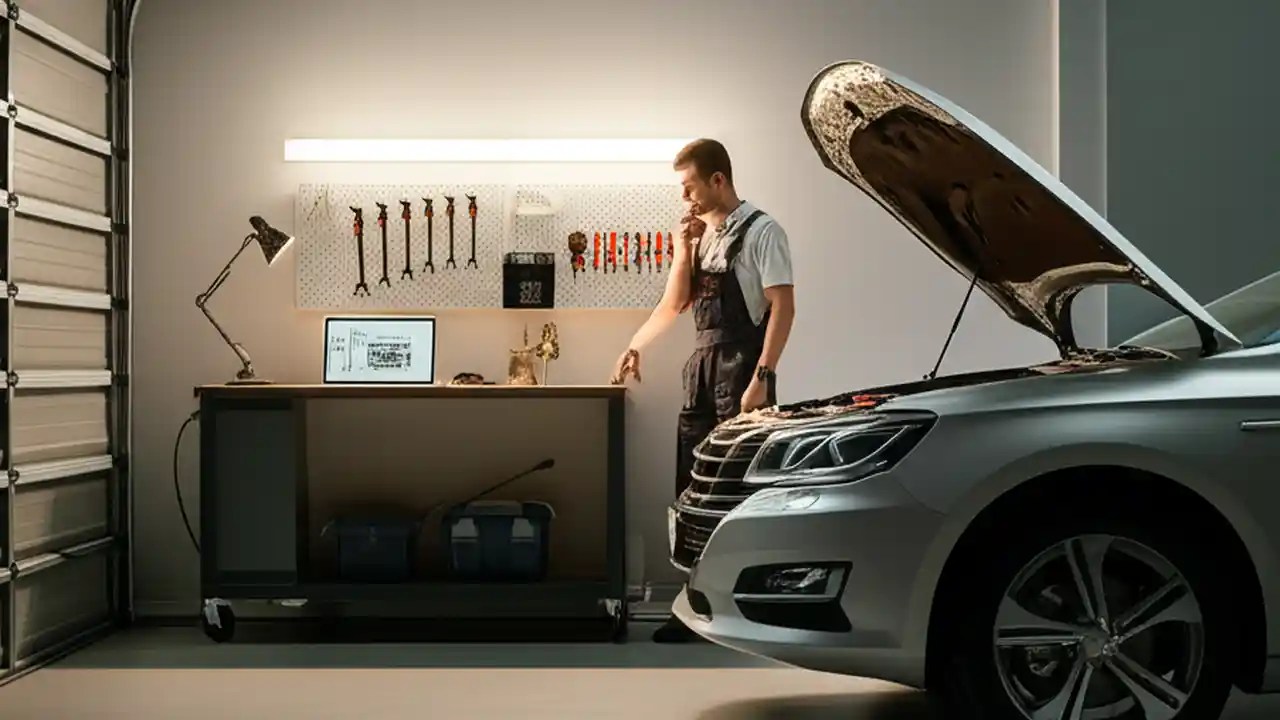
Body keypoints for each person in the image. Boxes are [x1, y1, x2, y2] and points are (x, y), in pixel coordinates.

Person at [610, 138, 796, 643]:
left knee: (737, 493)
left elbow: (783, 307)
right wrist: (637, 343)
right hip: (701, 370)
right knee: (691, 491)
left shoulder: (763, 231)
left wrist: (763, 377)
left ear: (718, 180)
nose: (685, 197)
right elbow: (675, 304)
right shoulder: (704, 235)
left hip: (741, 371)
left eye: (690, 185)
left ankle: (742, 612)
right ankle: (694, 608)